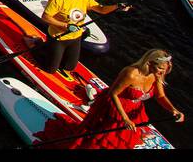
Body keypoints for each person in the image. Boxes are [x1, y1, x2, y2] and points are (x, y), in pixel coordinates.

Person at [36, 49, 183, 149]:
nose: (162, 73)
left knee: (123, 140)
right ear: (149, 63)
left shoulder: (156, 76)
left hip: (134, 110)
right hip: (113, 108)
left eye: (164, 71)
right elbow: (113, 94)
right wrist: (125, 118)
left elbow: (160, 96)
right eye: (161, 69)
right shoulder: (131, 73)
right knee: (100, 138)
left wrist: (173, 110)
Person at [39, 0, 130, 75]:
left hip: (75, 37)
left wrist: (117, 6)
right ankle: (39, 46)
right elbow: (45, 17)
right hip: (58, 37)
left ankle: (51, 53)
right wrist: (65, 25)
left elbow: (102, 9)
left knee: (69, 67)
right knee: (50, 70)